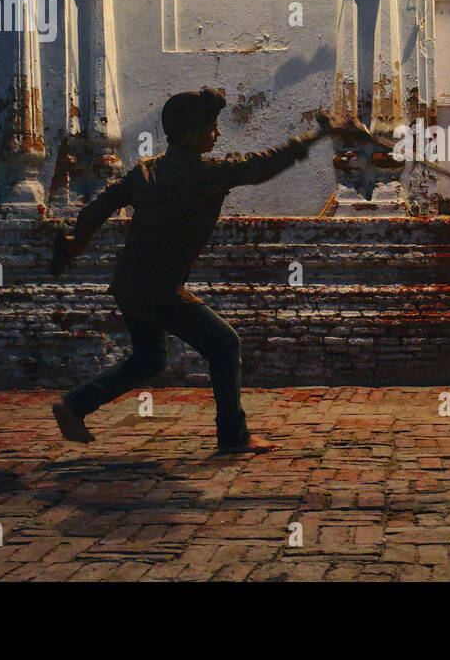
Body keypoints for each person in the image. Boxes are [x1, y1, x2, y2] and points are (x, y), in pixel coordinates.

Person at [50, 87, 368, 455]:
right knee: (224, 343)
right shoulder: (208, 172)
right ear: (191, 136)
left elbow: (100, 206)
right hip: (159, 290)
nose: (217, 135)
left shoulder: (145, 171)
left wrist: (77, 239)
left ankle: (74, 406)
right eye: (211, 128)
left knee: (149, 359)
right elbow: (264, 164)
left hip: (129, 284)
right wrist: (319, 133)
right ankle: (234, 437)